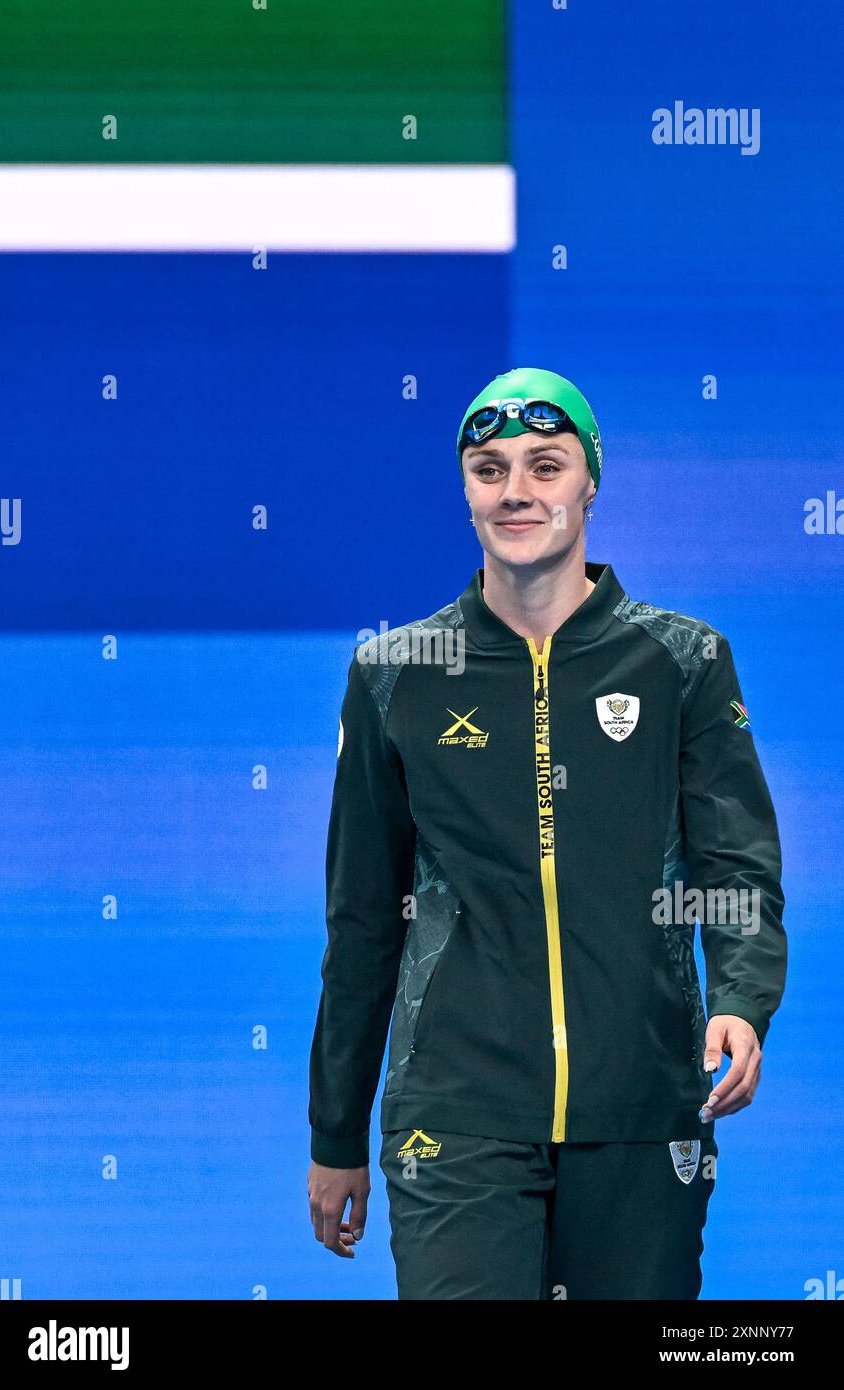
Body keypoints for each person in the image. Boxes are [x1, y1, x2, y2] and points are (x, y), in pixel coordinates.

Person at [307, 366, 787, 1300]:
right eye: (490, 469)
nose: (517, 490)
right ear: (466, 491)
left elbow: (733, 863)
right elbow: (362, 919)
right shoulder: (396, 672)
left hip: (644, 1104)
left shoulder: (682, 662)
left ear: (589, 484)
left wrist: (741, 997)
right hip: (452, 1112)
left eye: (545, 464)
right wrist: (335, 1134)